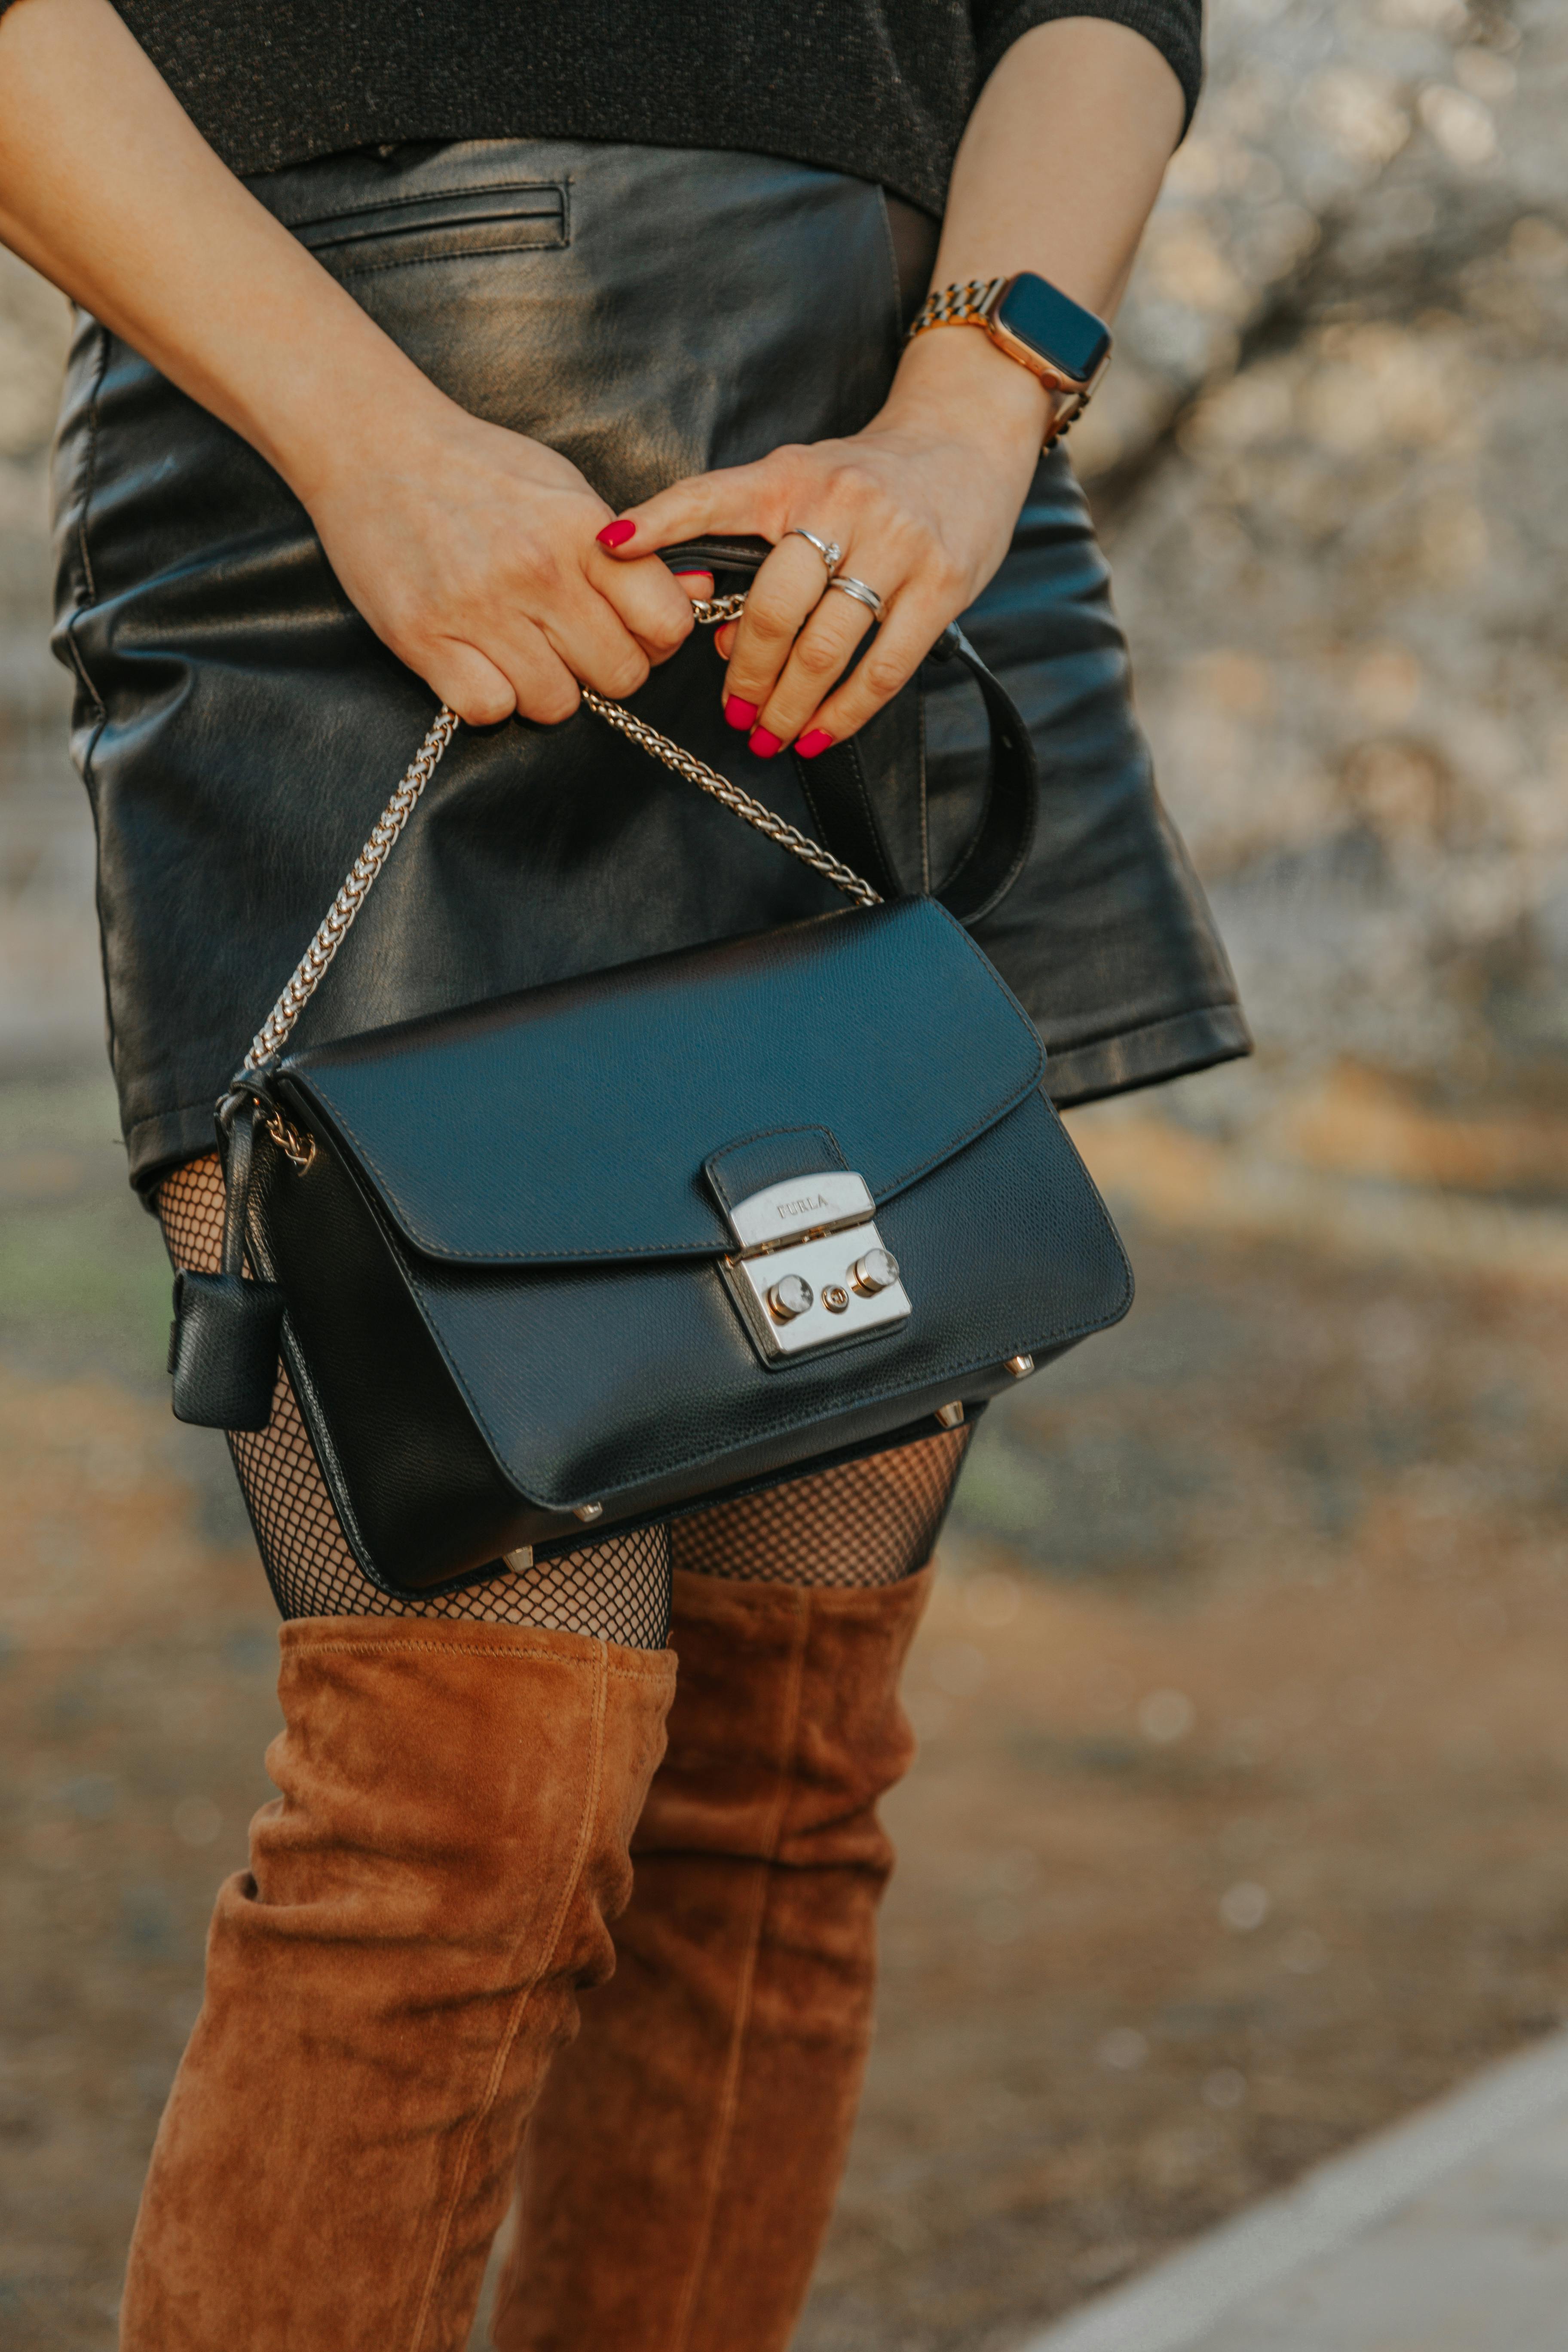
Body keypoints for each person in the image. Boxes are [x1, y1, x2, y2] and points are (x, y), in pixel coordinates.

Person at [0, 3, 1241, 2345]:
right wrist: (371, 440)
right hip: (346, 440)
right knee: (455, 1817)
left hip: (896, 495)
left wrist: (977, 415)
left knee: (779, 1801)